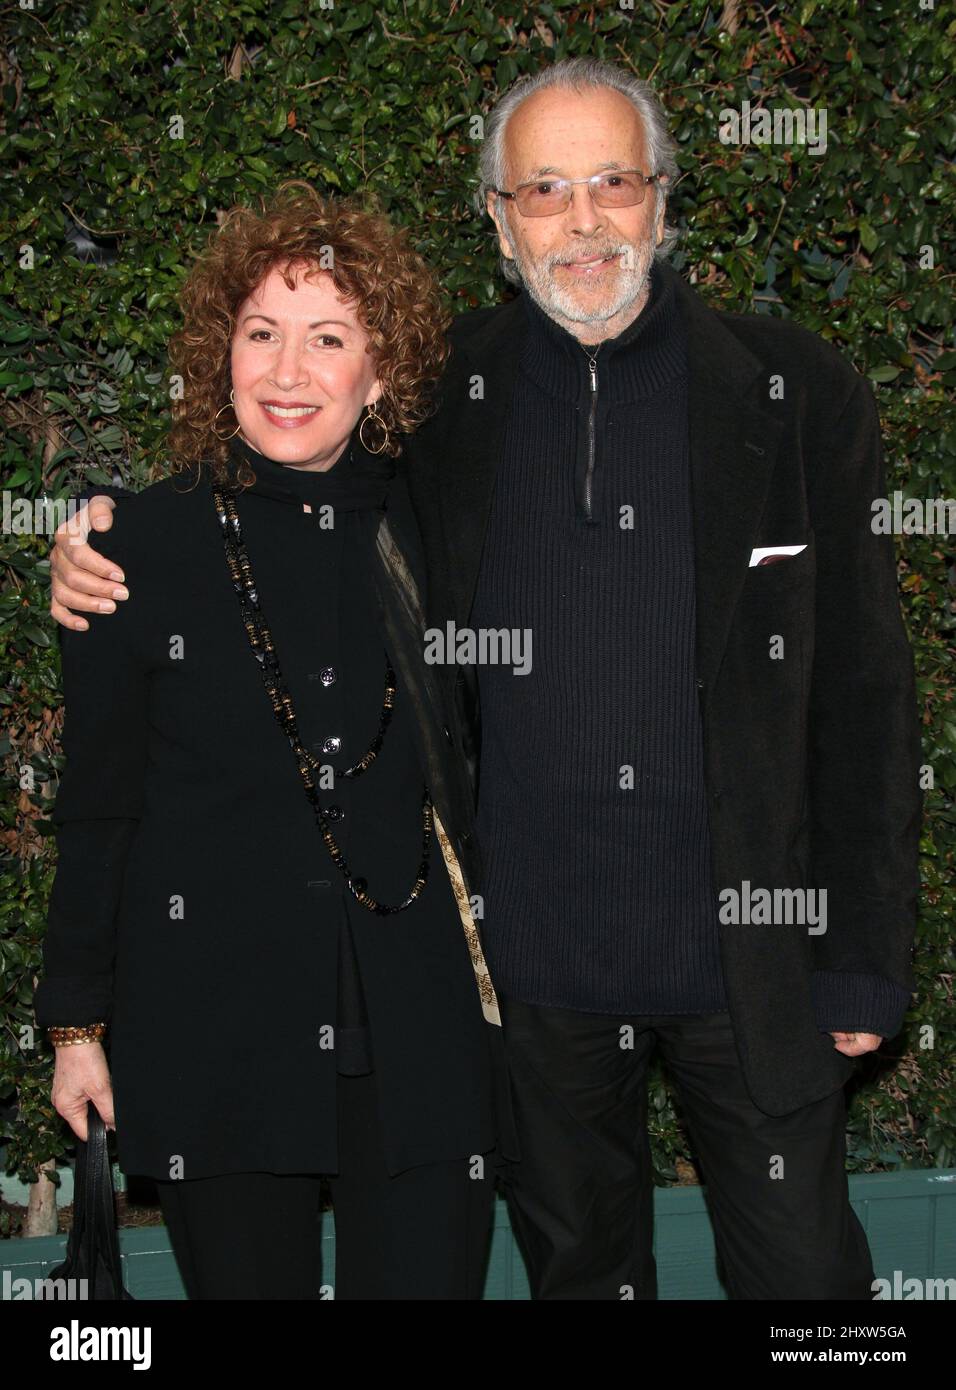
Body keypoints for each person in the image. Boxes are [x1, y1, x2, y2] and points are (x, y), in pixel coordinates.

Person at [51, 58, 922, 1302]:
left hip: (755, 961)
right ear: (498, 218)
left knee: (808, 1286)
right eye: (543, 189)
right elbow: (283, 483)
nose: (582, 222)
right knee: (578, 1277)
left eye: (612, 183)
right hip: (532, 976)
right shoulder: (444, 402)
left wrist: (863, 955)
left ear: (662, 201)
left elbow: (865, 696)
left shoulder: (795, 394)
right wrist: (93, 543)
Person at [37, 181, 514, 1301]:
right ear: (222, 355)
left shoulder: (440, 527)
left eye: (327, 338)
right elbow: (99, 804)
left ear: (379, 372)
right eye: (260, 334)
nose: (287, 372)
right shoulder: (134, 549)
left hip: (421, 1026)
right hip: (214, 1024)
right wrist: (74, 1024)